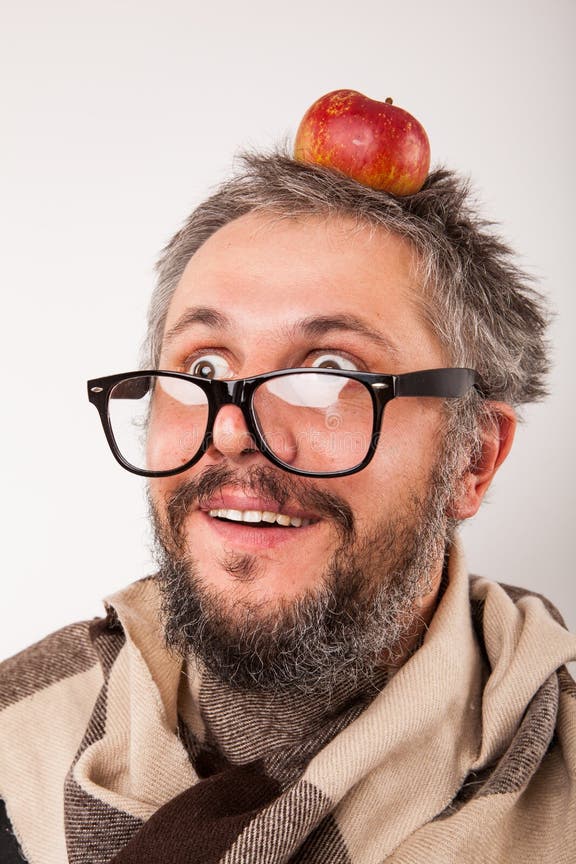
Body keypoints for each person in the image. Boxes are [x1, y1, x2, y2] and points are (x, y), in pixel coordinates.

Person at [1, 150, 575, 864]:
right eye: (204, 366)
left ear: (474, 457)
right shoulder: (12, 744)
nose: (234, 429)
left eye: (330, 370)